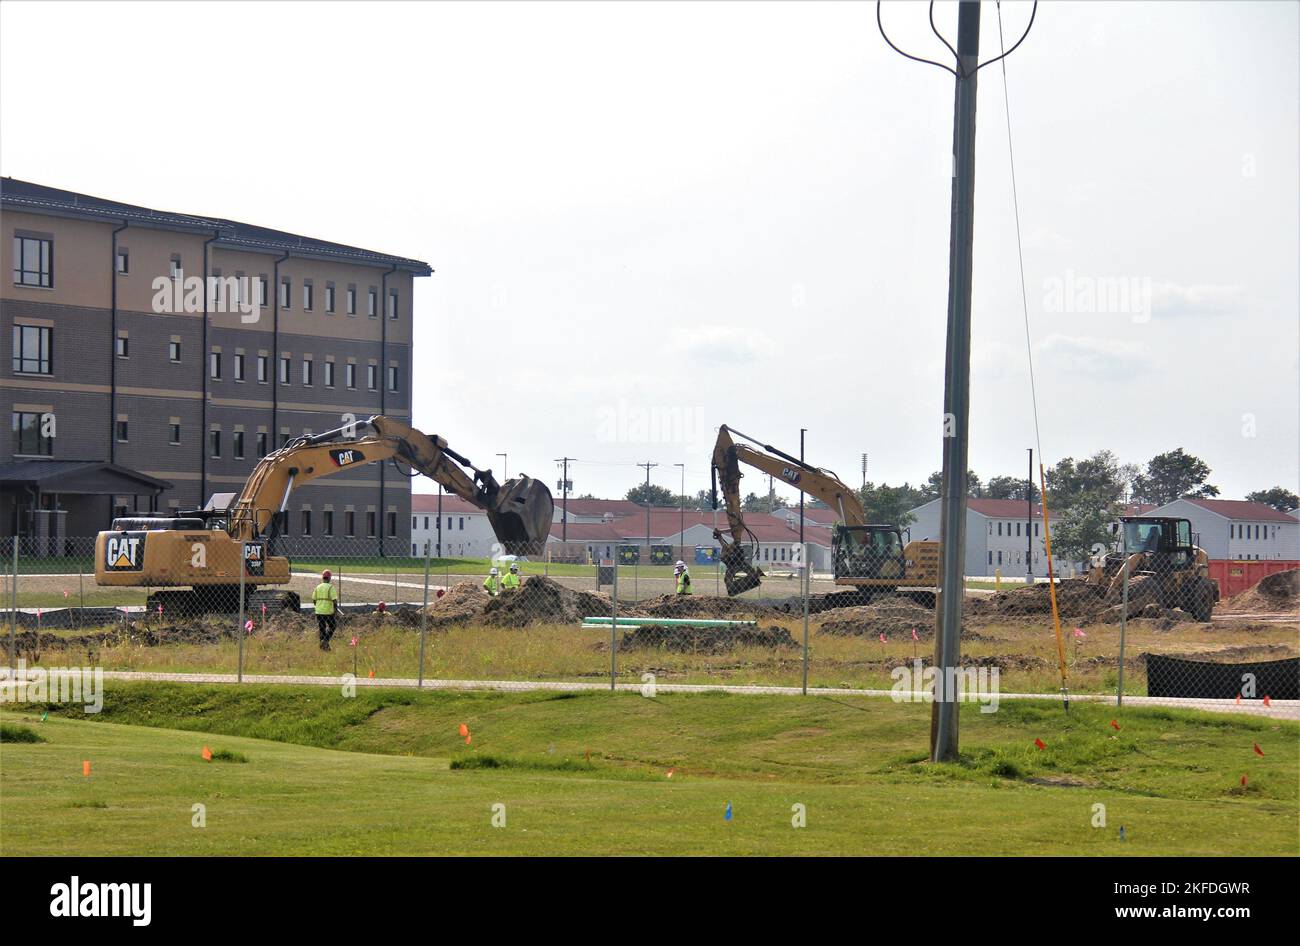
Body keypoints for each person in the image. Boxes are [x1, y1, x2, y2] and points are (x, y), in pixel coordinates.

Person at [313, 569, 339, 650]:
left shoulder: (317, 587)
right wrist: (335, 611)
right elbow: (334, 601)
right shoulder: (331, 588)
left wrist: (318, 606)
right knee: (332, 626)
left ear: (323, 577)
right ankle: (326, 641)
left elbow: (314, 600)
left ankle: (322, 645)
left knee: (322, 628)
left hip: (319, 611)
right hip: (328, 611)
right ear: (329, 578)